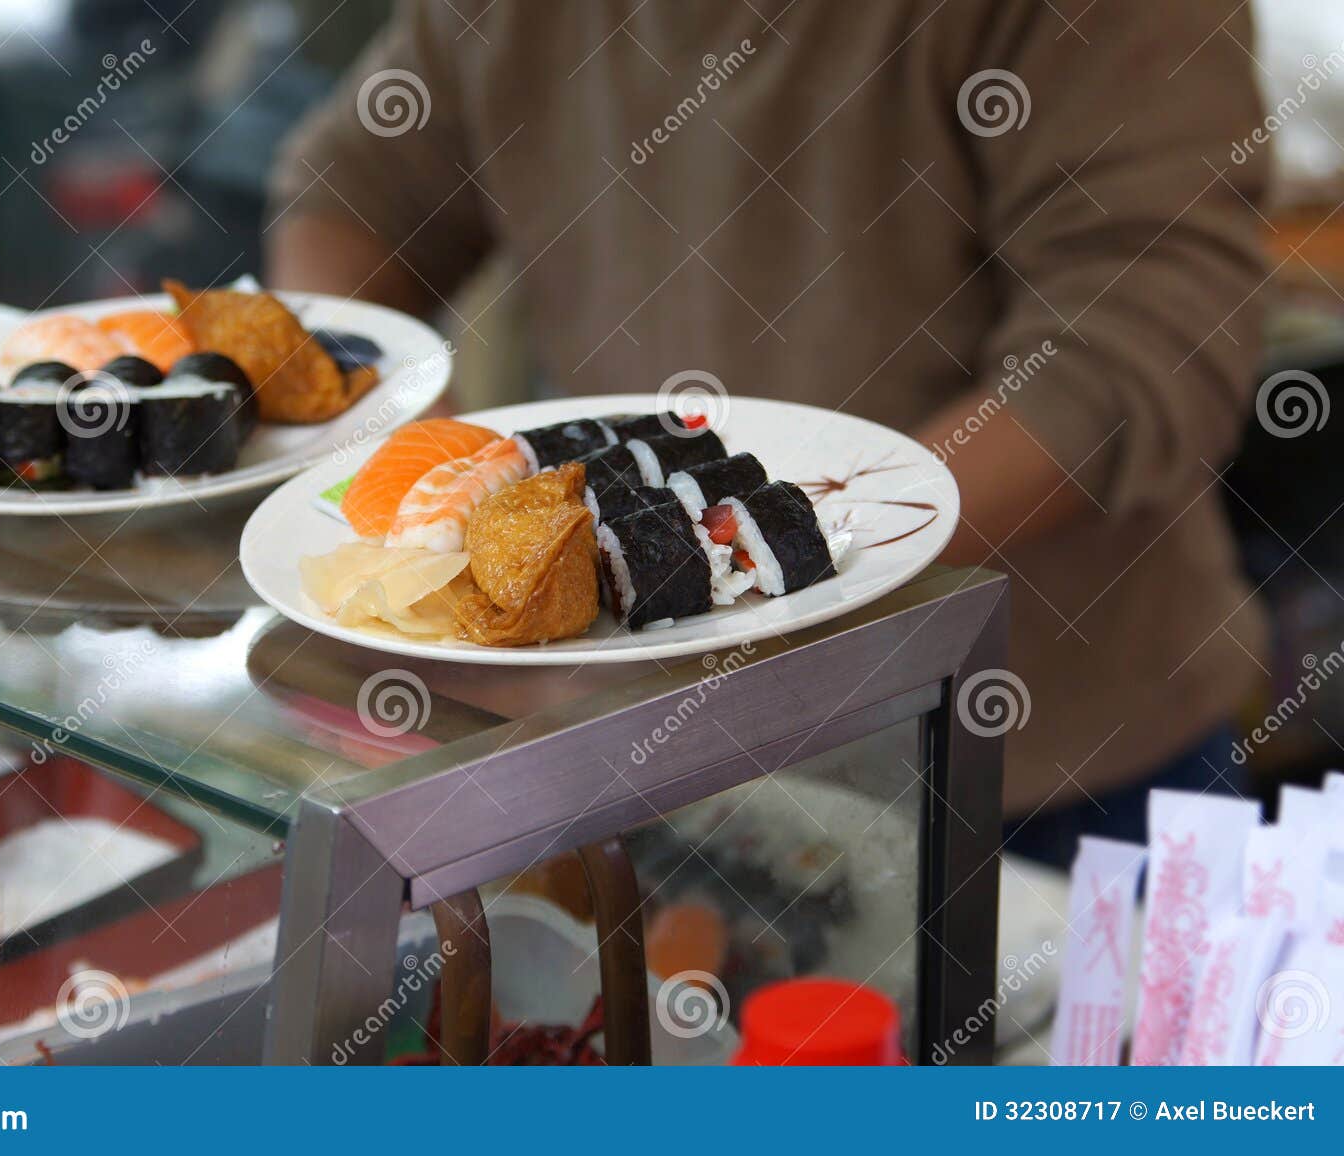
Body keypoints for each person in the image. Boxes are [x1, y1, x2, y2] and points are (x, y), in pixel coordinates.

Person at [267, 0, 1271, 867]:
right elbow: (360, 194)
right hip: (643, 750)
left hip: (1032, 765)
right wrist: (413, 503)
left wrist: (772, 567)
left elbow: (1141, 337)